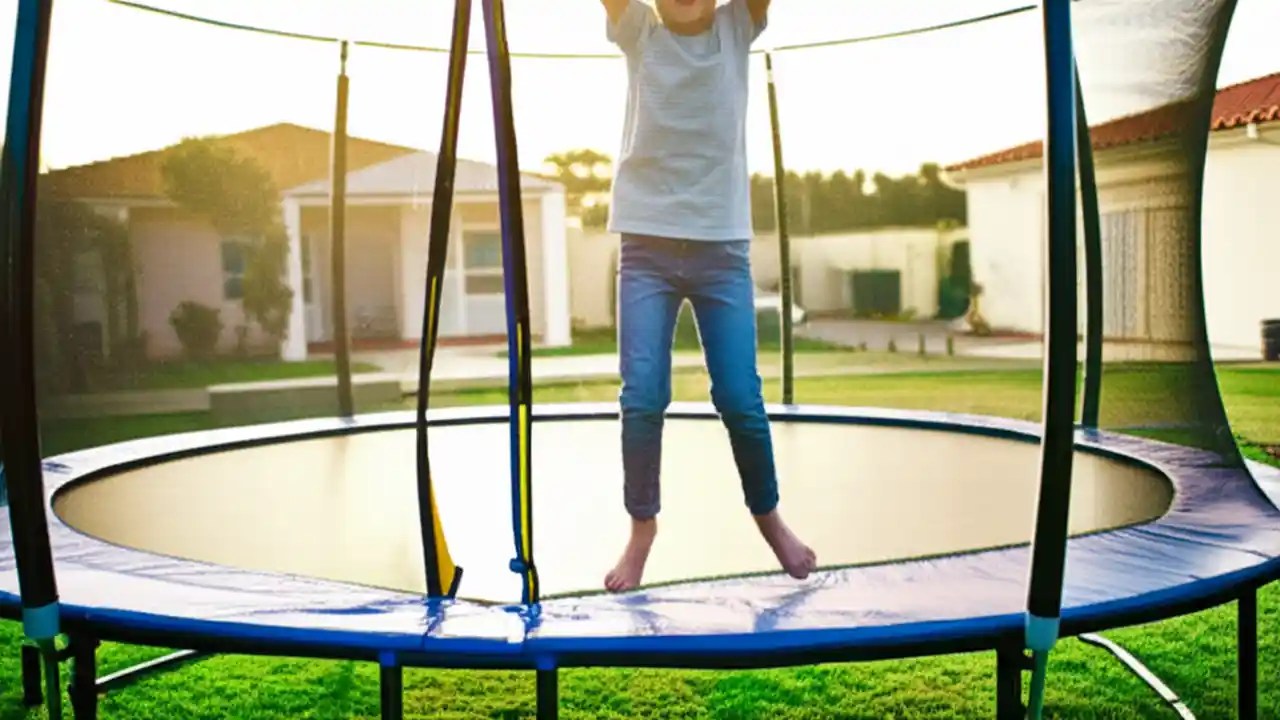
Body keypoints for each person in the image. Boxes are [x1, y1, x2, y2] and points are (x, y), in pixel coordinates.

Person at [598, 0, 817, 593]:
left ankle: (769, 519)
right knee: (643, 394)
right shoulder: (638, 30)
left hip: (722, 249)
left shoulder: (736, 27)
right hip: (646, 246)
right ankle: (642, 528)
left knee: (741, 396)